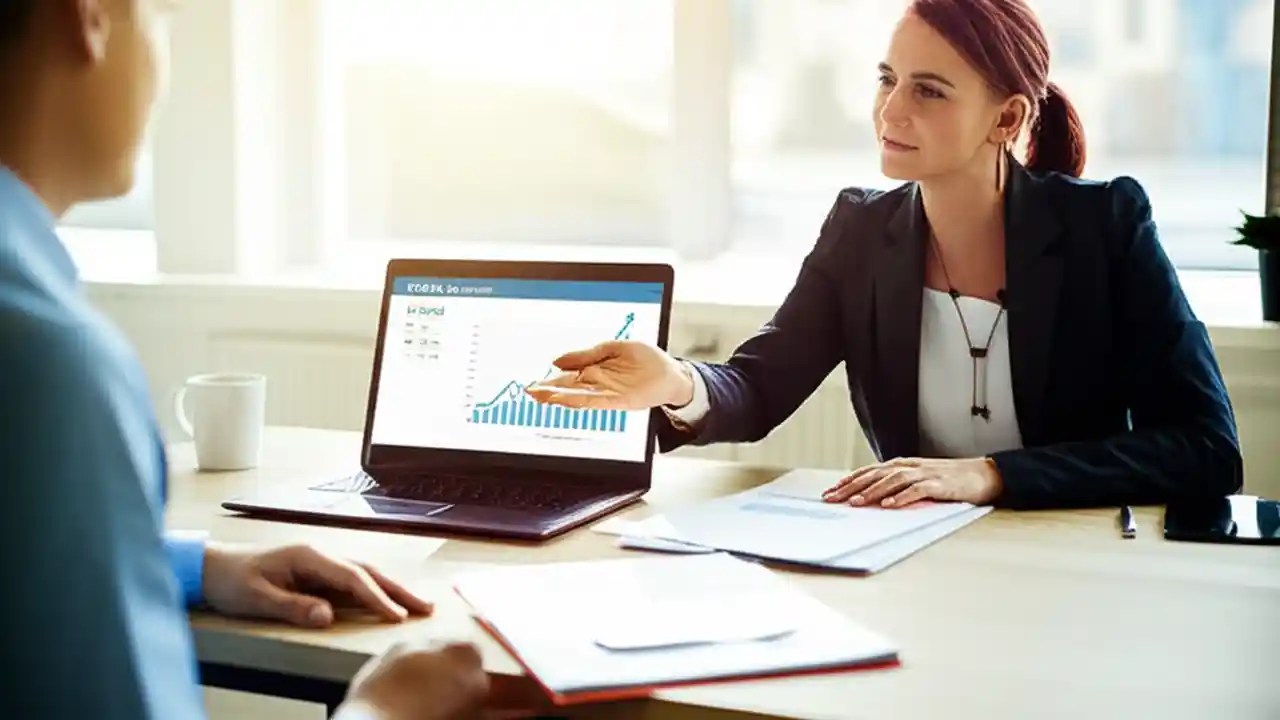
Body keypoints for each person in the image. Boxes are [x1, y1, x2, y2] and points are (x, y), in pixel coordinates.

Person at [528, 0, 1243, 511]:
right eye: (886, 78)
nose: (891, 110)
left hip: (1075, 558)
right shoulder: (861, 230)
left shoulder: (1106, 224)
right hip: (912, 554)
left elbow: (1207, 448)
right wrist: (680, 382)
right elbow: (760, 387)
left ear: (1008, 118)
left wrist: (992, 475)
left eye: (928, 90)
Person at [0, 1, 489, 718]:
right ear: (90, 18)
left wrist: (200, 569)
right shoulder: (48, 363)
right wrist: (383, 712)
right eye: (158, 16)